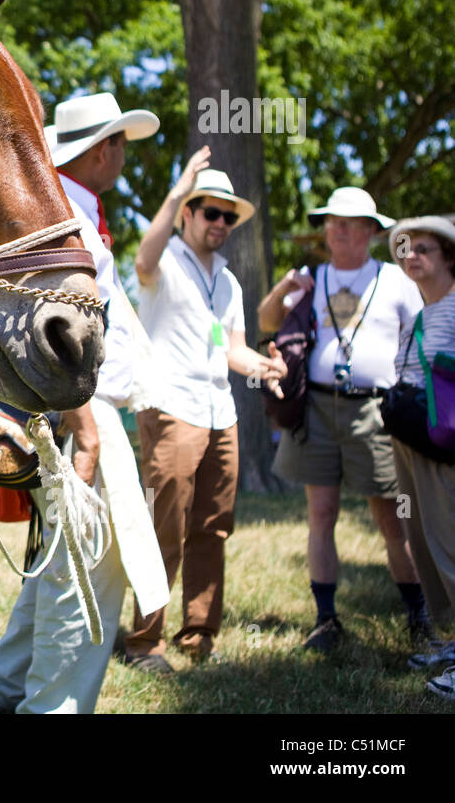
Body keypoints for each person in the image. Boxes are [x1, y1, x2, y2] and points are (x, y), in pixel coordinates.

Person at [0, 92, 169, 713]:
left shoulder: (70, 211)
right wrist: (87, 431)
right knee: (84, 577)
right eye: (121, 145)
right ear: (105, 147)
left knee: (60, 559)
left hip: (79, 414)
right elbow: (57, 334)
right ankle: (49, 707)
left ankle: (1, 691)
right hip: (84, 414)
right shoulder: (70, 219)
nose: (123, 157)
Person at [126, 148, 286, 672]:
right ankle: (145, 642)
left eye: (229, 216)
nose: (221, 223)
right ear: (188, 213)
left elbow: (232, 348)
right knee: (165, 525)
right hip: (171, 407)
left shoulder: (230, 280)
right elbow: (141, 262)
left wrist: (263, 367)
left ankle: (198, 635)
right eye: (210, 211)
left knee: (213, 527)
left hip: (221, 413)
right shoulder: (165, 258)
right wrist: (179, 186)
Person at [259, 187, 428, 651]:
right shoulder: (312, 277)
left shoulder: (396, 280)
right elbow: (267, 321)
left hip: (377, 411)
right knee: (321, 513)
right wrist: (284, 288)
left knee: (394, 518)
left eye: (350, 222)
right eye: (331, 221)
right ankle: (326, 619)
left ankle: (420, 616)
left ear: (372, 231)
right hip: (316, 408)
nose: (337, 230)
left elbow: (424, 337)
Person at [385, 216, 455, 699]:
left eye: (424, 248)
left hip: (444, 446)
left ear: (449, 256)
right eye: (406, 248)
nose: (412, 255)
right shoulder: (418, 316)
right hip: (409, 442)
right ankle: (449, 641)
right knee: (422, 539)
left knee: (449, 542)